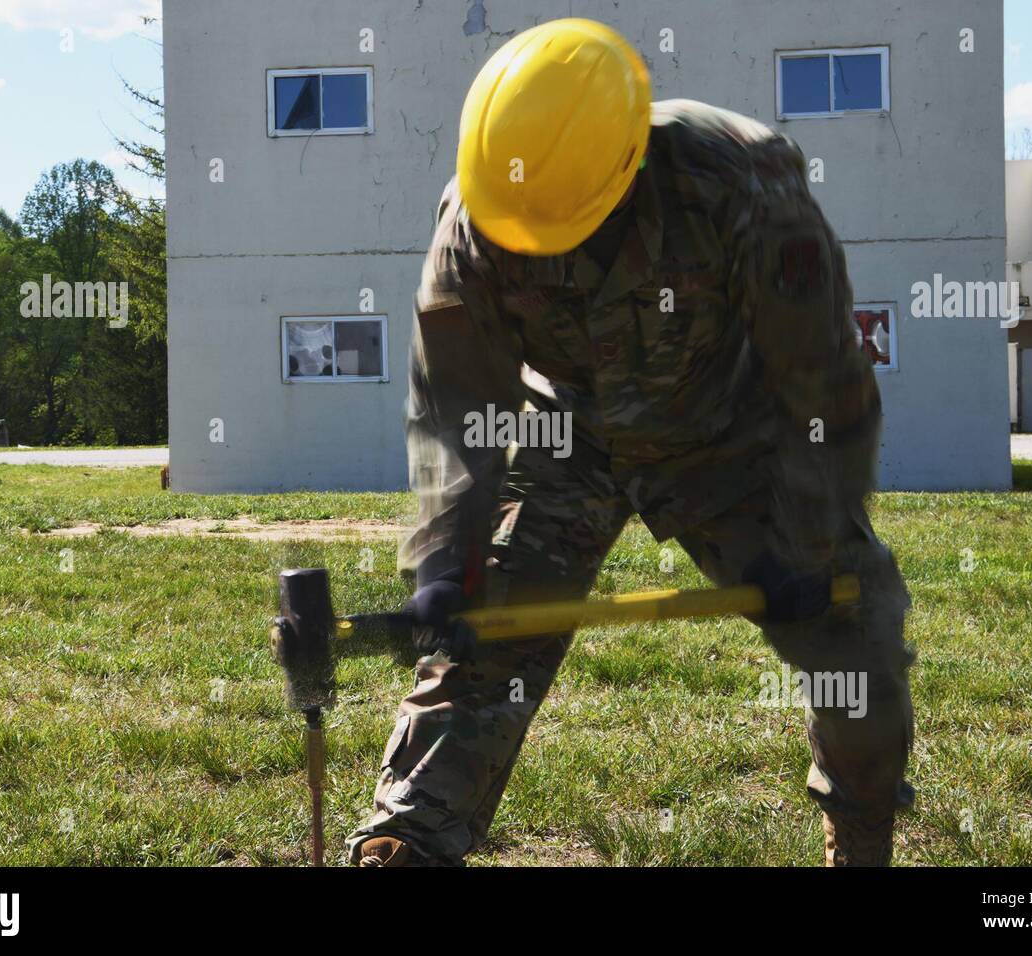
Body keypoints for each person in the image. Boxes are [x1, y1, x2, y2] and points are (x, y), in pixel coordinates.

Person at [346, 18, 915, 867]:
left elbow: (822, 383)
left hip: (730, 432)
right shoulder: (481, 211)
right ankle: (408, 842)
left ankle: (862, 841)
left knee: (854, 638)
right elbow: (461, 411)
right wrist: (442, 563)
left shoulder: (743, 181)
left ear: (629, 170)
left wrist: (806, 543)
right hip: (566, 432)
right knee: (486, 630)